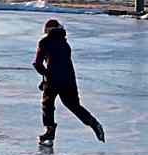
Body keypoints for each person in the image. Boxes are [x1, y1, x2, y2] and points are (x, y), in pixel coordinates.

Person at [33, 18, 104, 146]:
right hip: (69, 79)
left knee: (47, 104)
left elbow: (37, 64)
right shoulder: (64, 42)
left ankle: (49, 133)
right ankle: (94, 123)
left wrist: (45, 75)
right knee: (73, 105)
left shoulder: (44, 42)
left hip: (53, 79)